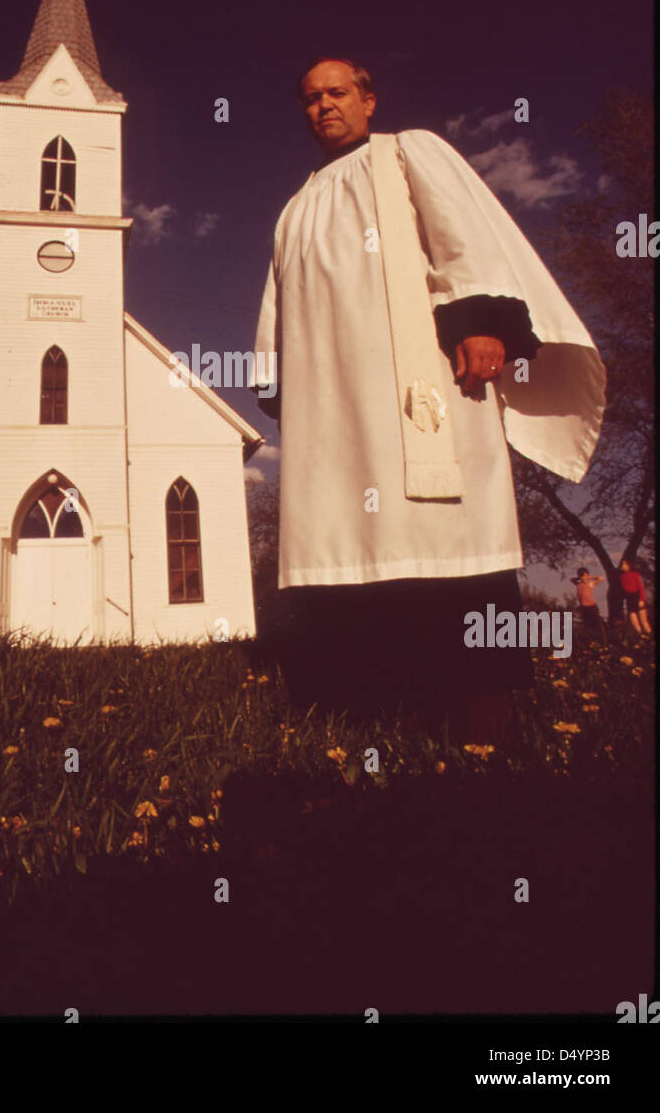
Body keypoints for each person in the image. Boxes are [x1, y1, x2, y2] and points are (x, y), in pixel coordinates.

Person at [252, 58, 606, 743]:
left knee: (447, 531)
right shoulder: (293, 209)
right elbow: (279, 307)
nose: (322, 106)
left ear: (368, 100)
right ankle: (386, 710)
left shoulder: (408, 151)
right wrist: (283, 383)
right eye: (310, 98)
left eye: (337, 93)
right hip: (336, 406)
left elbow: (463, 234)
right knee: (349, 537)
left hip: (427, 386)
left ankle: (484, 711)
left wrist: (480, 321)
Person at [572, 567, 607, 647]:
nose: (584, 578)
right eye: (582, 576)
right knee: (587, 627)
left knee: (598, 626)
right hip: (584, 609)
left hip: (592, 607)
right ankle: (590, 643)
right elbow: (572, 579)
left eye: (585, 576)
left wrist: (589, 577)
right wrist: (581, 578)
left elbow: (601, 578)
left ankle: (603, 643)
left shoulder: (590, 583)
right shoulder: (579, 584)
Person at [618, 559, 652, 638]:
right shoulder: (621, 577)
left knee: (643, 620)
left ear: (629, 566)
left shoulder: (635, 575)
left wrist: (642, 600)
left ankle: (649, 635)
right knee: (633, 618)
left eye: (625, 564)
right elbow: (623, 591)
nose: (623, 566)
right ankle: (641, 635)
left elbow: (641, 588)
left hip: (637, 597)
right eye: (622, 564)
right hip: (629, 599)